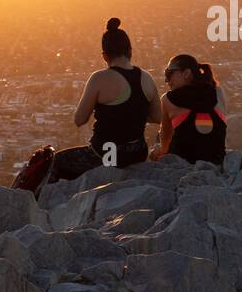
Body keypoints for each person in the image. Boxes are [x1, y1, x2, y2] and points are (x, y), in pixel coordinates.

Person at [39, 18, 161, 192]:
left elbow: (79, 119)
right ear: (130, 51)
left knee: (54, 162)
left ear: (104, 55)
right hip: (137, 152)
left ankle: (44, 206)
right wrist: (131, 114)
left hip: (106, 154)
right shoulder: (147, 78)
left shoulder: (100, 78)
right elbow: (157, 117)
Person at [151, 54, 227, 165]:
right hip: (217, 161)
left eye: (169, 74)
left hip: (181, 164)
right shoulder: (218, 92)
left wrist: (156, 152)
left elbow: (164, 144)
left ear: (186, 73)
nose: (166, 80)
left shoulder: (167, 100)